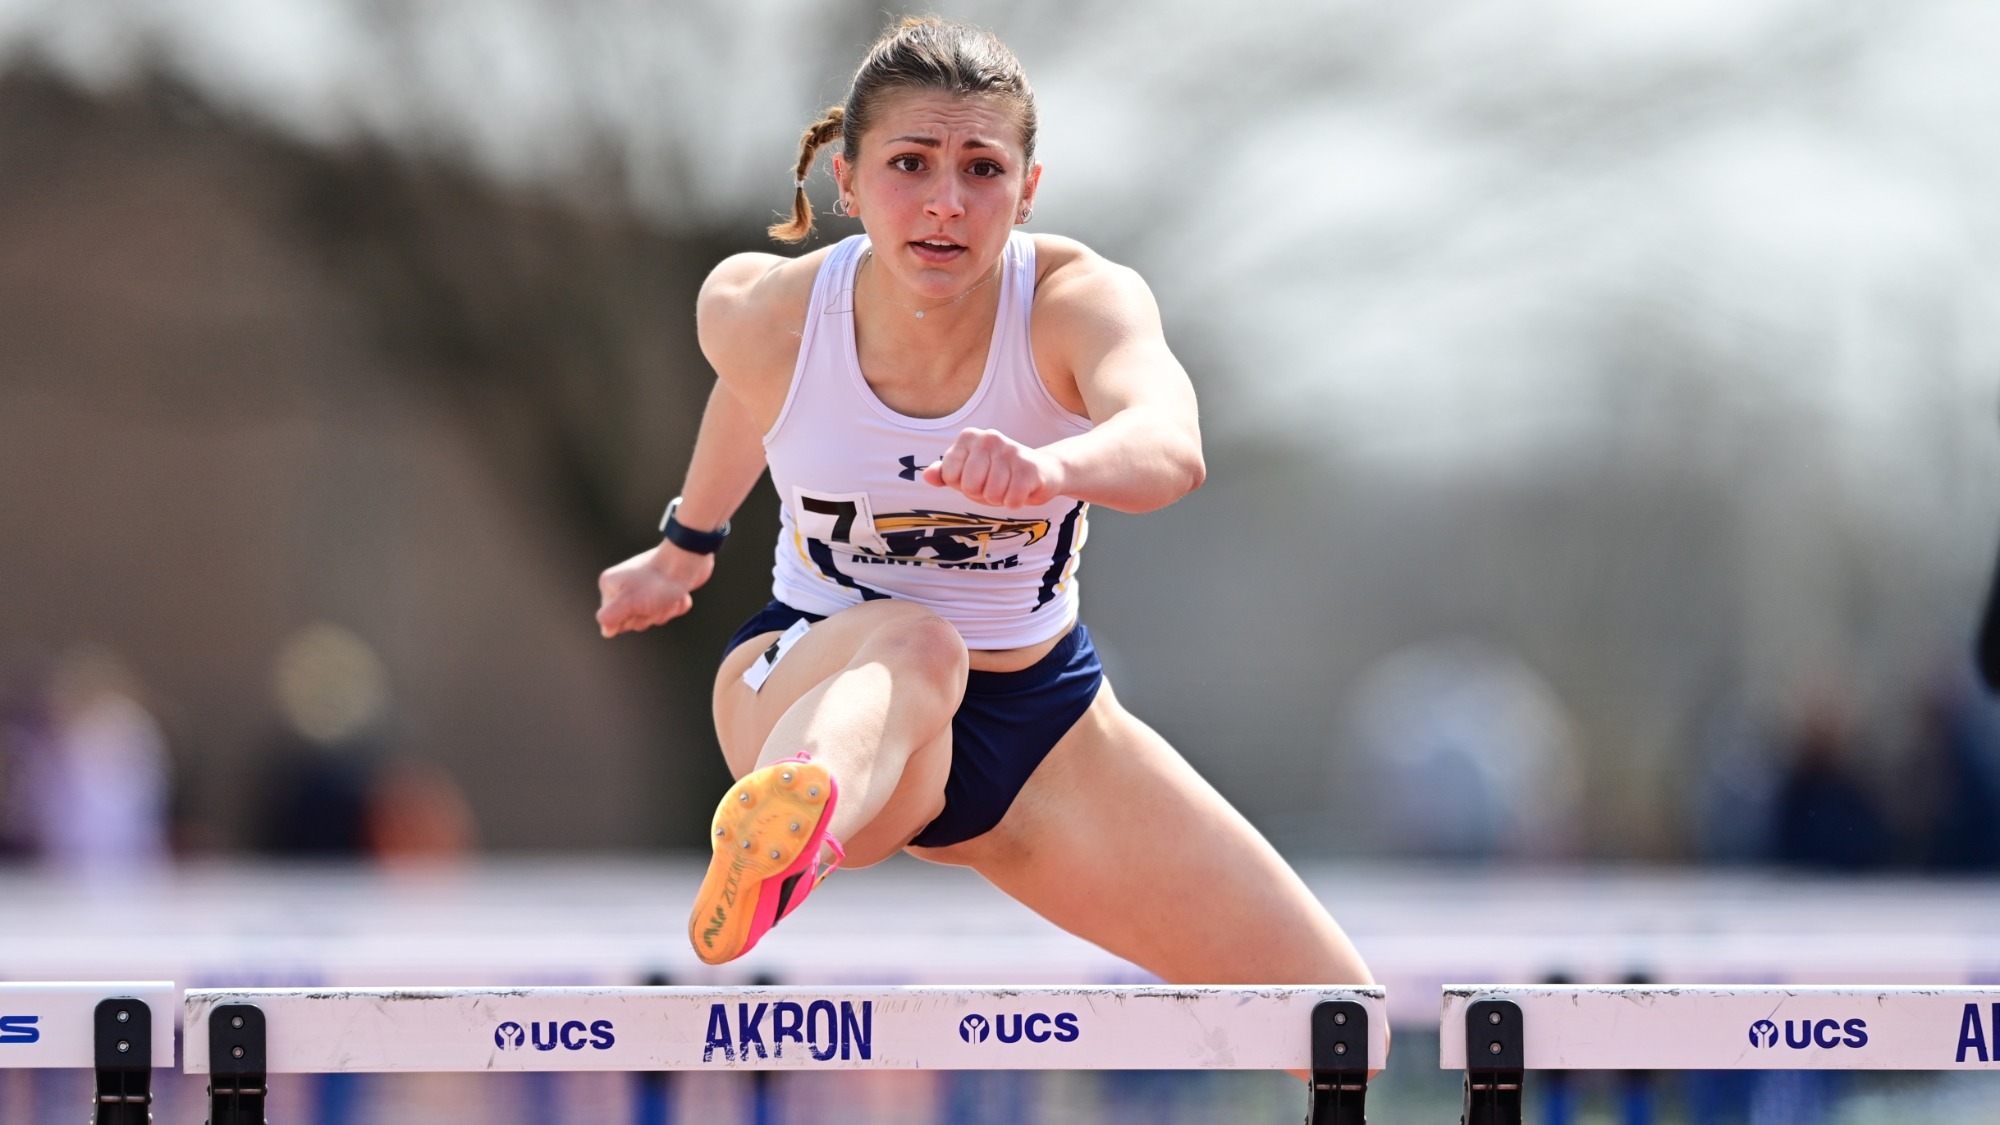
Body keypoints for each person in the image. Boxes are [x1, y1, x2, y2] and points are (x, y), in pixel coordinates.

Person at [596, 17, 1374, 1005]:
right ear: (846, 180)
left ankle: (801, 819)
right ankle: (793, 818)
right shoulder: (765, 313)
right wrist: (683, 547)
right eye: (909, 165)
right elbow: (752, 397)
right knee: (920, 647)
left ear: (1028, 188)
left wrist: (1053, 467)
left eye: (980, 169)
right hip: (799, 681)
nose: (944, 205)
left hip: (1039, 723)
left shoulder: (1071, 301)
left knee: (1333, 1014)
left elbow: (1168, 445)